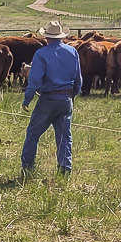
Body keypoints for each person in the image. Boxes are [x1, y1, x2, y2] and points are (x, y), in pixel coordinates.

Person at [21, 19, 83, 177]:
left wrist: (27, 99)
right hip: (66, 100)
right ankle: (65, 169)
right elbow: (78, 79)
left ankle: (28, 168)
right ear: (61, 36)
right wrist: (72, 96)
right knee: (64, 136)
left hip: (48, 99)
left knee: (33, 134)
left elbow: (34, 80)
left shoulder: (41, 54)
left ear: (46, 37)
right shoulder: (72, 52)